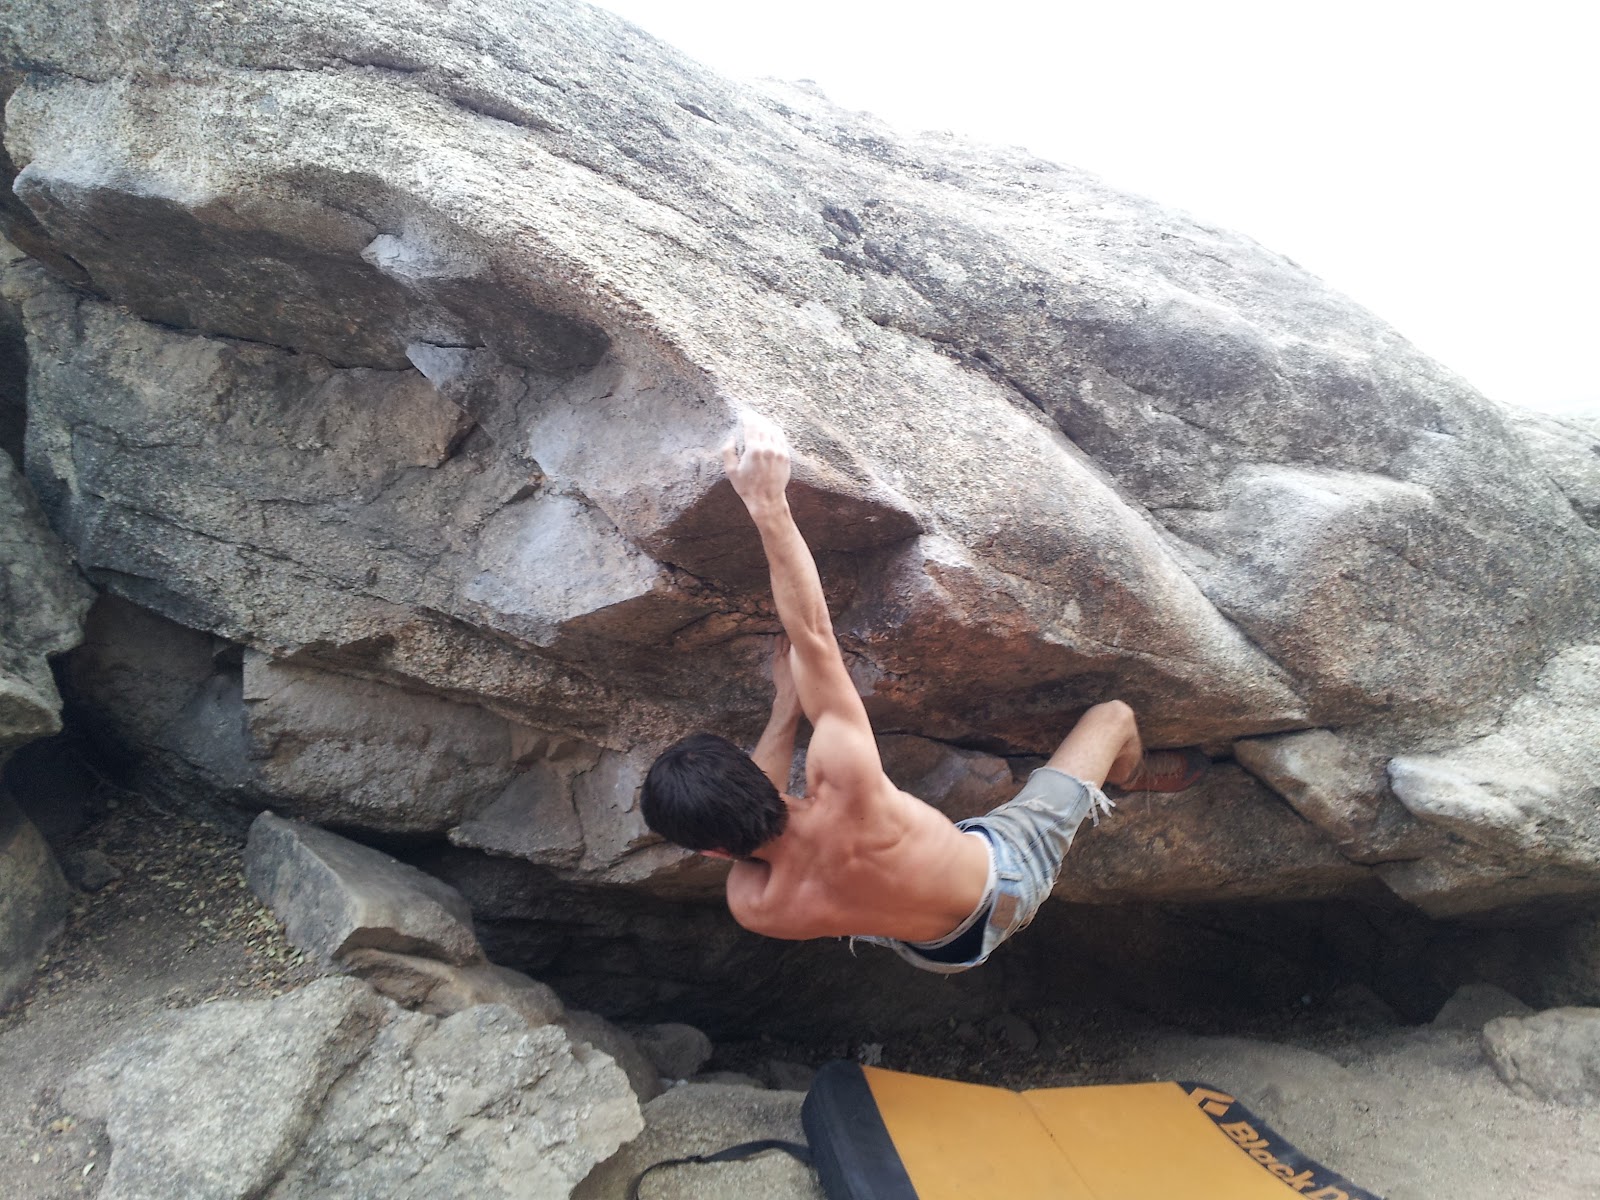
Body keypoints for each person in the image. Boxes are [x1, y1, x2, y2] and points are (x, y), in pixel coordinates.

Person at [640, 412, 1208, 973]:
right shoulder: (848, 784)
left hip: (944, 951)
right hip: (1010, 872)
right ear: (752, 774)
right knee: (1111, 717)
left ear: (713, 852)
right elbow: (812, 634)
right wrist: (767, 505)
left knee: (873, 911)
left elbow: (758, 824)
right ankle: (1130, 775)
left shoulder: (755, 906)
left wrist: (783, 711)